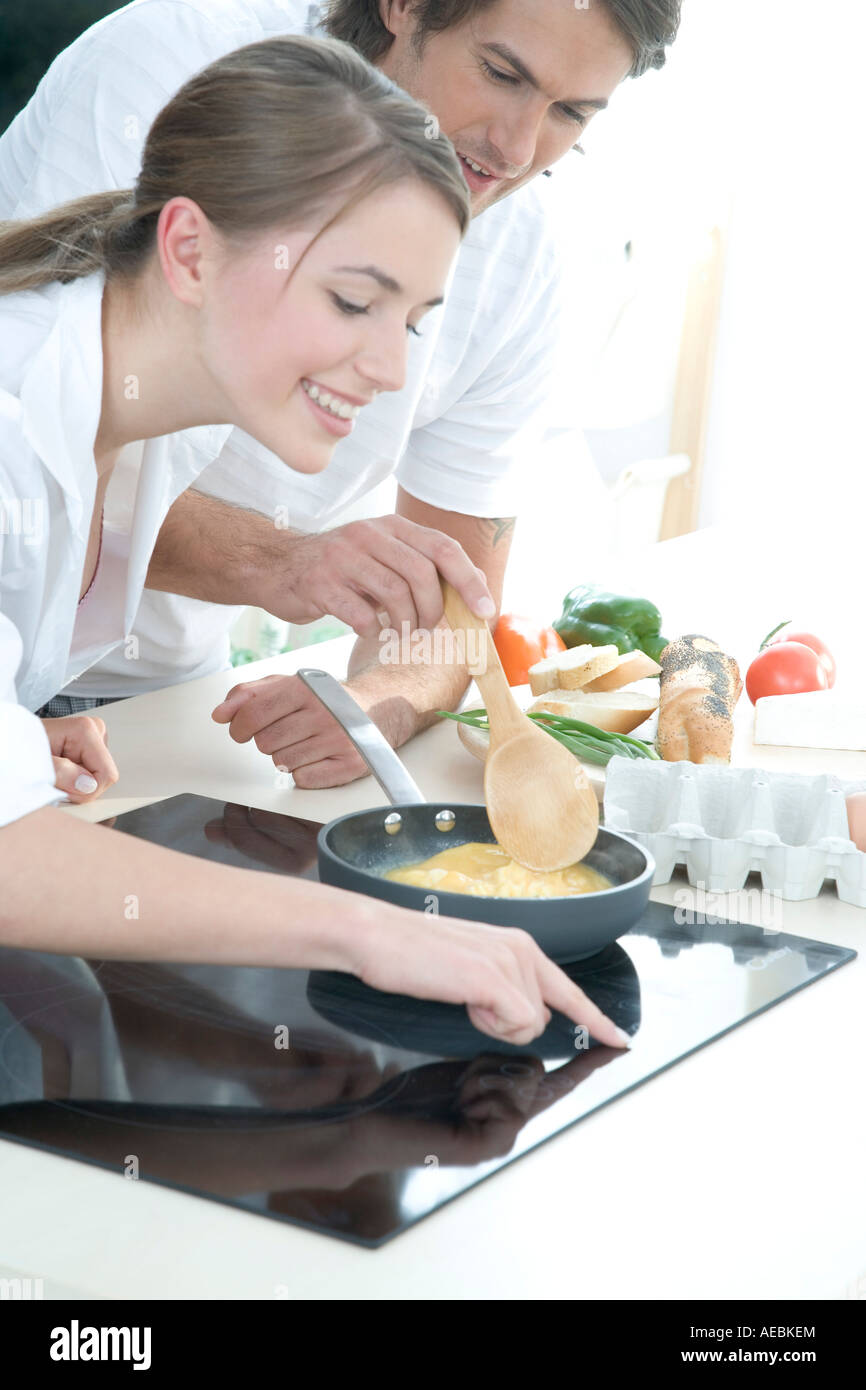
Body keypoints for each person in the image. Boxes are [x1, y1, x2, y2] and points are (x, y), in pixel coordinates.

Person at [0, 35, 629, 1051]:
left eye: (414, 321)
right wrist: (366, 932)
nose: (387, 366)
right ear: (192, 251)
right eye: (351, 300)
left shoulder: (165, 413)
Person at [0, 0, 682, 789]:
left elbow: (455, 610)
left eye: (571, 113)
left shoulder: (524, 258)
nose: (519, 147)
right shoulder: (175, 64)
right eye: (500, 72)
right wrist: (279, 560)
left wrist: (373, 706)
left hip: (127, 703)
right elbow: (62, 444)